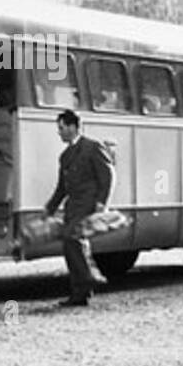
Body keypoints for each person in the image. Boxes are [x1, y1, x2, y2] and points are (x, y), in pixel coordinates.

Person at [44, 109, 115, 307]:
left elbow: (108, 176)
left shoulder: (92, 147)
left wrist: (102, 203)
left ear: (73, 127)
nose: (59, 132)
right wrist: (49, 208)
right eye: (58, 128)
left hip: (88, 204)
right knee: (71, 246)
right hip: (73, 206)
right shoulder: (65, 156)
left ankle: (89, 278)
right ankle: (80, 292)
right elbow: (62, 188)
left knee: (72, 239)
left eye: (62, 128)